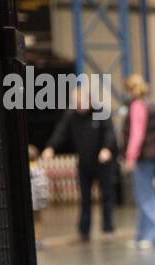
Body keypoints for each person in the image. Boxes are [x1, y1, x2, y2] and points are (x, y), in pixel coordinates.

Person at [42, 88, 118, 243]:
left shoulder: (101, 112)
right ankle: (84, 230)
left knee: (107, 196)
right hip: (84, 163)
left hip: (103, 163)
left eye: (80, 103)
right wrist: (51, 147)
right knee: (85, 198)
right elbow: (61, 132)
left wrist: (106, 149)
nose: (78, 107)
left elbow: (110, 133)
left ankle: (108, 228)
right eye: (75, 104)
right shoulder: (72, 115)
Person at [121, 74, 155, 249]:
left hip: (143, 158)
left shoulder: (137, 106)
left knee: (146, 197)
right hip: (153, 156)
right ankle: (142, 235)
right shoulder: (151, 104)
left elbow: (136, 135)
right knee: (143, 195)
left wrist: (131, 157)